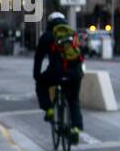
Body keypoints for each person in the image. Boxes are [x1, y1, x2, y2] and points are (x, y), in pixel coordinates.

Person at [33, 11, 84, 143]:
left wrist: (37, 75)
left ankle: (49, 109)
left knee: (41, 84)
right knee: (73, 100)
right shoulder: (72, 34)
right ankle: (76, 129)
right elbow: (79, 54)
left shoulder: (47, 36)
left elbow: (38, 58)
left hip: (56, 73)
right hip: (75, 73)